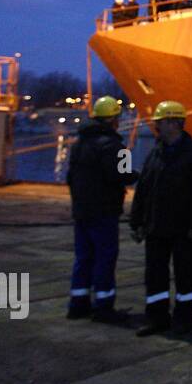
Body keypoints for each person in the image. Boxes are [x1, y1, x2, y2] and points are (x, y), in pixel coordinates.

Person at [129, 100, 192, 336]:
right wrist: (136, 221)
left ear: (175, 123)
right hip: (156, 227)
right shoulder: (155, 153)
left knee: (186, 276)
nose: (156, 126)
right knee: (155, 275)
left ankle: (184, 318)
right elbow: (143, 189)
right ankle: (157, 317)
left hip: (184, 229)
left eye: (161, 122)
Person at [66, 96, 139, 323]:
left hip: (81, 211)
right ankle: (104, 307)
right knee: (105, 258)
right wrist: (139, 174)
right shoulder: (116, 146)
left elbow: (70, 177)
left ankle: (78, 304)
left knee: (83, 257)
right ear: (113, 120)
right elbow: (125, 175)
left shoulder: (78, 145)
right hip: (105, 212)